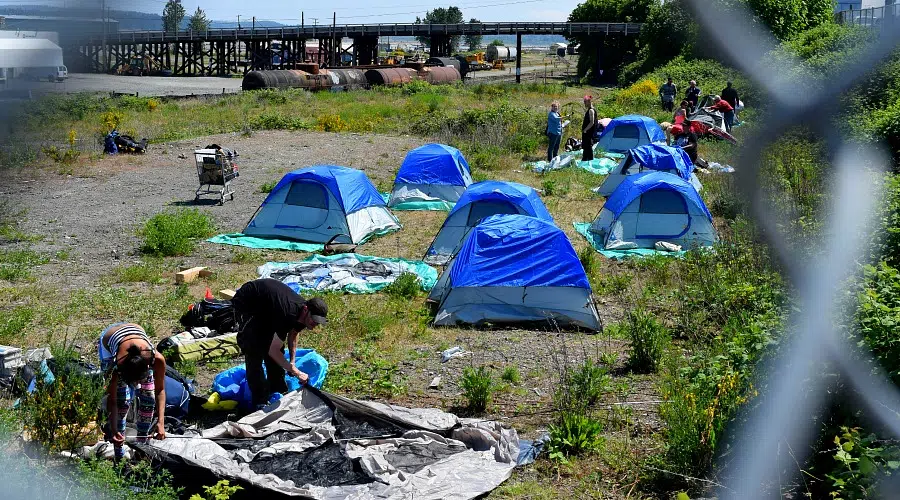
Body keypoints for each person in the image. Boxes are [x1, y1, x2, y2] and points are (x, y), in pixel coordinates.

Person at [231, 278, 328, 408]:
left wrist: (292, 362)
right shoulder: (288, 313)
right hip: (248, 301)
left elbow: (293, 334)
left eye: (317, 323)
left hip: (268, 308)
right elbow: (273, 351)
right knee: (255, 349)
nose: (314, 325)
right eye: (313, 321)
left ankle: (278, 388)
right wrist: (296, 372)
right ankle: (259, 401)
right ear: (306, 309)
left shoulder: (304, 317)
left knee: (274, 347)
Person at [98, 323, 167, 460]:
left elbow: (160, 390)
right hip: (110, 337)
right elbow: (113, 401)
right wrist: (115, 430)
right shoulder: (115, 367)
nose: (137, 385)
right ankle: (119, 455)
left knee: (149, 398)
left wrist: (160, 422)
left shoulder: (156, 359)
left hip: (135, 333)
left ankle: (141, 449)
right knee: (123, 402)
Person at [581, 95, 597, 162]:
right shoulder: (590, 110)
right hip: (587, 132)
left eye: (585, 102)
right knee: (585, 146)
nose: (584, 103)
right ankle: (585, 159)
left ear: (589, 102)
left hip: (588, 132)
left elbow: (592, 122)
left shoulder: (591, 110)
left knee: (588, 146)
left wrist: (585, 129)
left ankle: (590, 160)